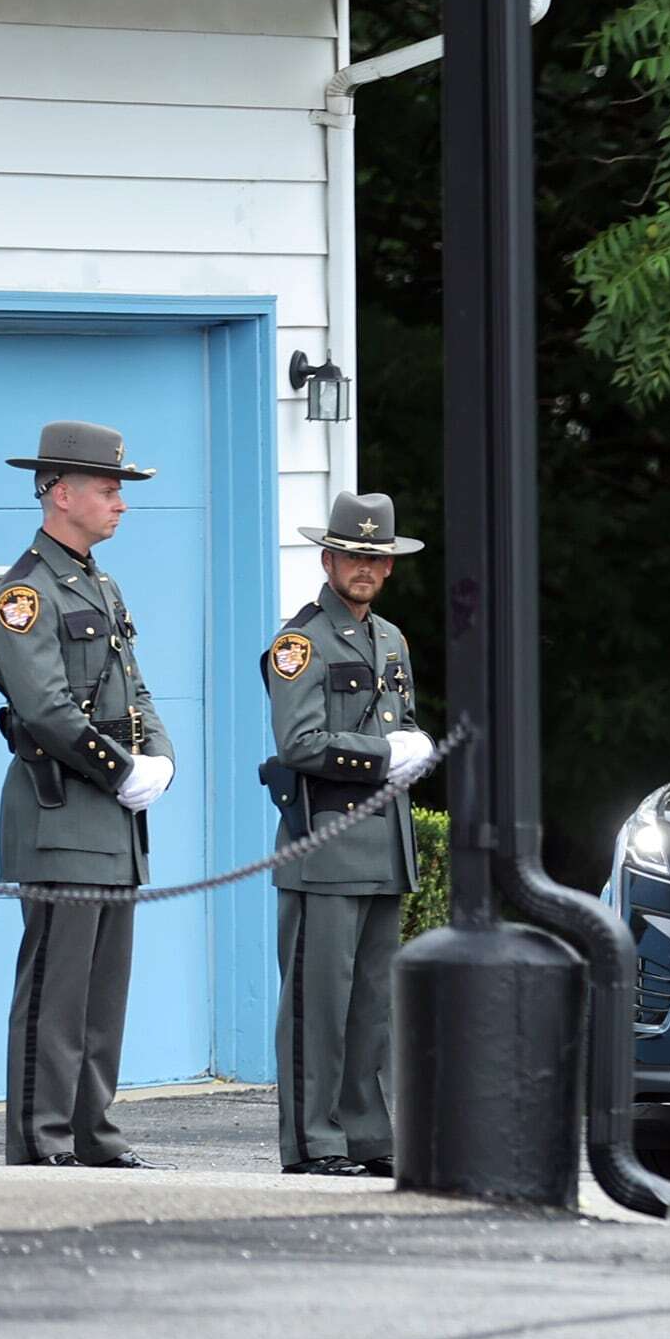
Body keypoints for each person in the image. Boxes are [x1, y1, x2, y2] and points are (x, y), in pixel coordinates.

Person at [0, 421, 175, 1169]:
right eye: (108, 487)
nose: (121, 501)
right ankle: (42, 1137)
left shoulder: (101, 583)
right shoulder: (26, 594)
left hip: (112, 826)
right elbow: (47, 709)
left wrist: (160, 755)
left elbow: (136, 687)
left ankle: (93, 1132)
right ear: (61, 494)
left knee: (102, 995)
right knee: (54, 996)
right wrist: (119, 766)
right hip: (61, 811)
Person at [263, 492, 433, 1177]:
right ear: (327, 558)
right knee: (317, 1006)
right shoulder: (300, 642)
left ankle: (366, 1133)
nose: (363, 568)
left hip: (384, 844)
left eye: (375, 557)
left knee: (372, 1007)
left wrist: (411, 748)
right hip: (326, 842)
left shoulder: (391, 639)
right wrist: (383, 756)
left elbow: (405, 721)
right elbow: (298, 741)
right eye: (352, 555)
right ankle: (315, 1140)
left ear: (388, 568)